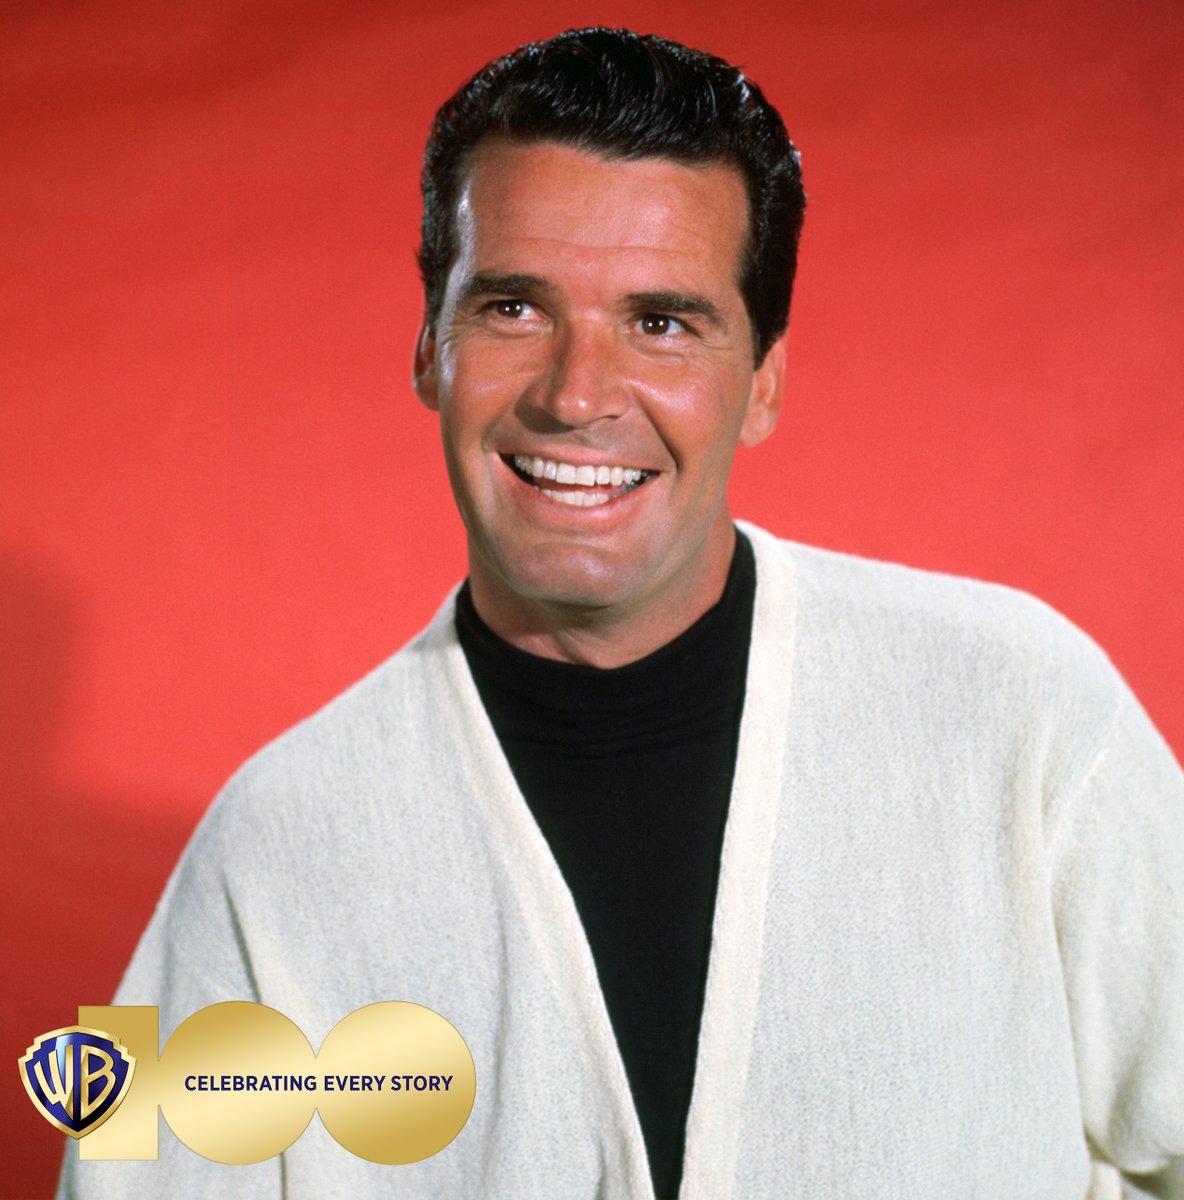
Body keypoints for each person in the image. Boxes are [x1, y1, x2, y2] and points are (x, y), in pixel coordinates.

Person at [60, 27, 1183, 1200]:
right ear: (429, 350)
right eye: (512, 308)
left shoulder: (1022, 709)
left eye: (660, 322)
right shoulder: (266, 840)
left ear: (762, 383)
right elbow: (113, 1170)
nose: (576, 393)